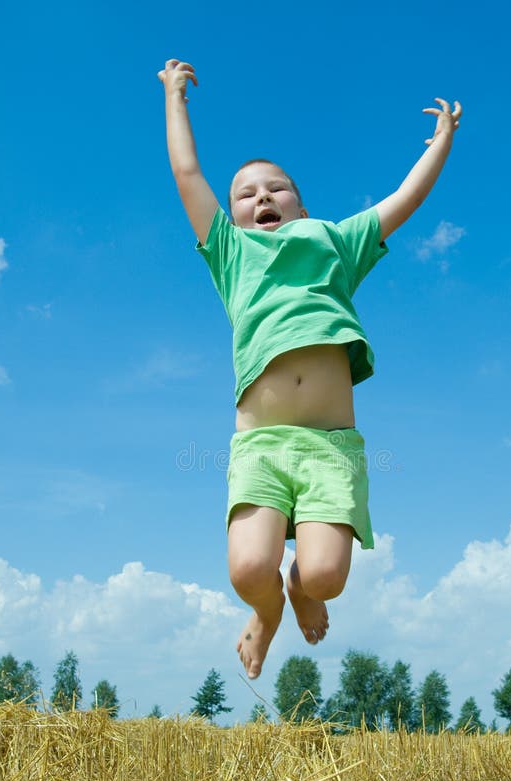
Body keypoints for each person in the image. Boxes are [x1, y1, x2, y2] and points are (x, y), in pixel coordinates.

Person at [158, 58, 461, 679]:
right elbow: (187, 173)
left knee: (325, 576)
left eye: (276, 188)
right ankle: (268, 613)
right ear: (235, 213)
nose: (262, 196)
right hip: (261, 445)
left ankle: (298, 589)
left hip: (329, 447)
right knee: (246, 571)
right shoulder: (229, 252)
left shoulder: (334, 242)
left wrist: (441, 144)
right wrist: (174, 97)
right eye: (246, 192)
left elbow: (404, 200)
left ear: (299, 204)